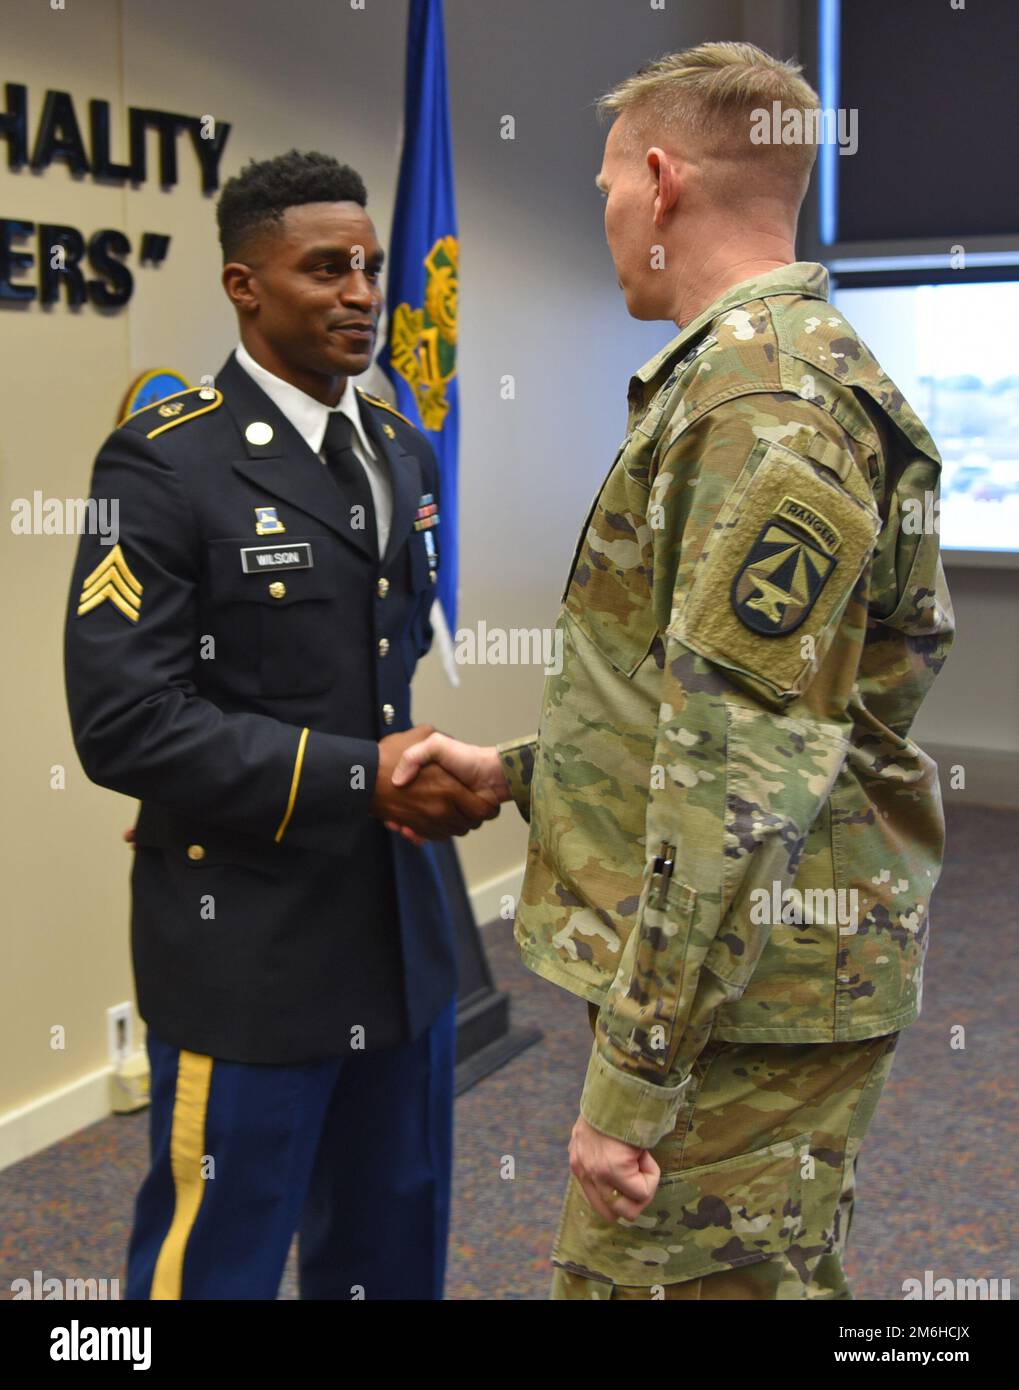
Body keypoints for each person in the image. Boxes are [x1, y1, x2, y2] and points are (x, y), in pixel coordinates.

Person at [389, 43, 954, 1300]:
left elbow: (741, 779)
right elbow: (720, 711)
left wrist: (634, 1081)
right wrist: (525, 772)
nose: (602, 213)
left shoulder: (761, 399)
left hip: (743, 1000)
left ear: (658, 180)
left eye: (602, 184)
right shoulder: (753, 377)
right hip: (754, 973)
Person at [64, 150, 498, 1301]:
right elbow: (125, 723)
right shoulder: (164, 463)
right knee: (219, 1256)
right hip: (244, 939)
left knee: (391, 1239)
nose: (361, 292)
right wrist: (367, 778)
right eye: (324, 268)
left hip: (399, 929)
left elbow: (374, 674)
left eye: (366, 266)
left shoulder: (401, 452)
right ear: (243, 285)